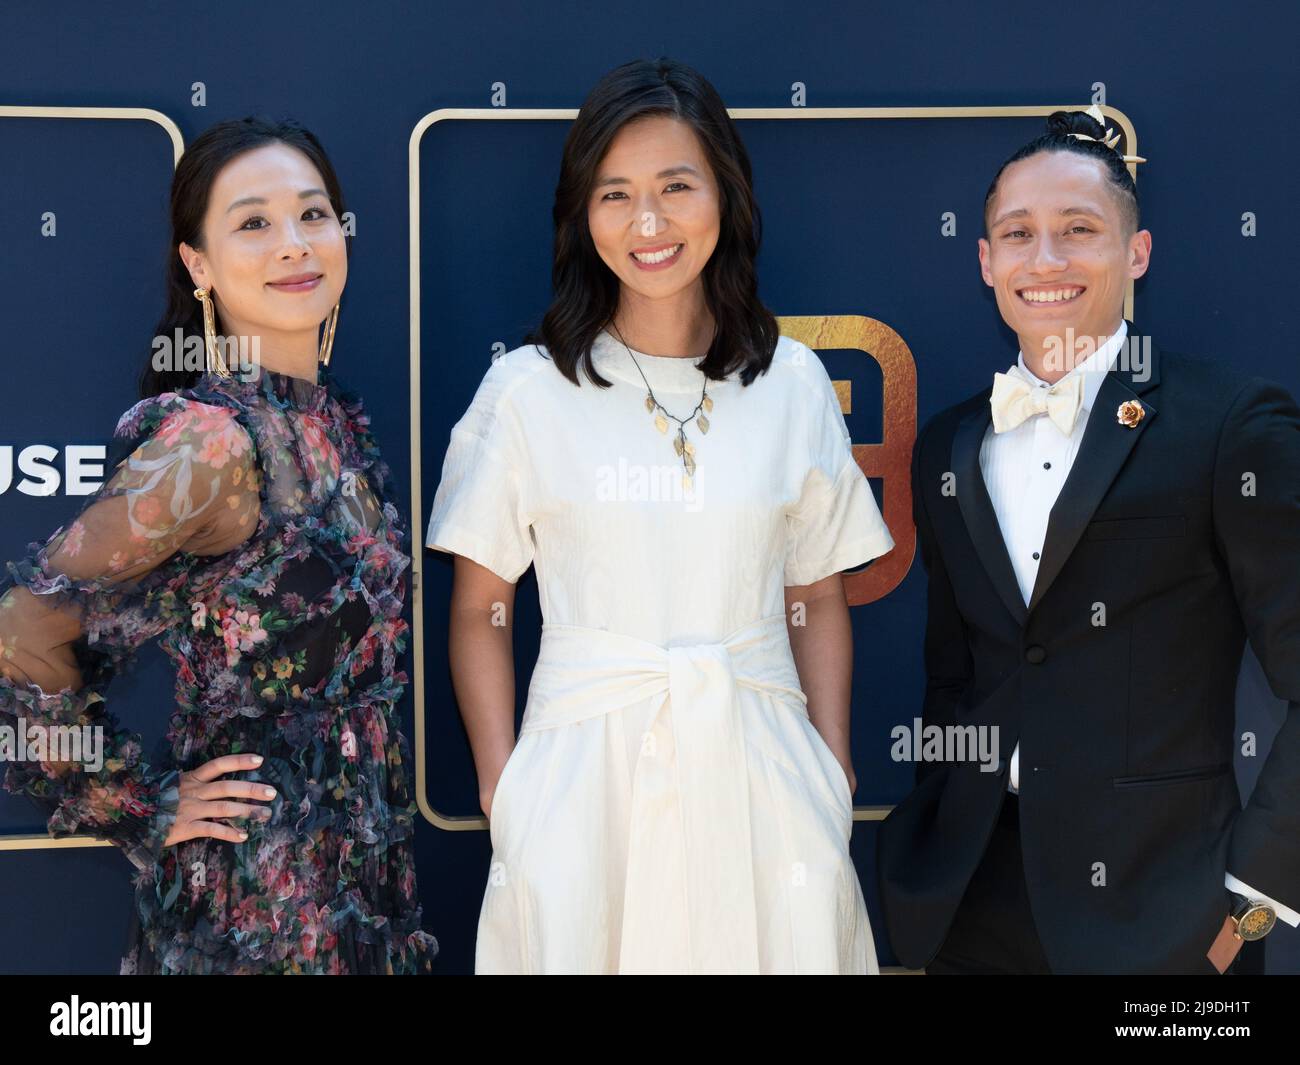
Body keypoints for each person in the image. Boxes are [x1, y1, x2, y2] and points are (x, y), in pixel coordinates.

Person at [425, 57, 895, 974]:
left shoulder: (792, 381)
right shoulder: (526, 390)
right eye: (615, 194)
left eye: (676, 186)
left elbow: (819, 594)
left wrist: (829, 768)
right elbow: (480, 609)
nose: (648, 223)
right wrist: (506, 789)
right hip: (580, 785)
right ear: (581, 214)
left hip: (763, 778)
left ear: (726, 193)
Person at [0, 117, 438, 974]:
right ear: (198, 265)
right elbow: (23, 635)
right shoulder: (210, 444)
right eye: (252, 223)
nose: (293, 244)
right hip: (254, 918)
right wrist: (138, 801)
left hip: (365, 905)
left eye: (313, 215)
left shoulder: (332, 422)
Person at [877, 108, 1300, 974]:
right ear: (986, 259)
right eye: (1018, 234)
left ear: (1136, 252)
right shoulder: (949, 445)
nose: (1047, 260)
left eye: (1080, 231)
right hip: (974, 905)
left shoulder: (1230, 422)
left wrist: (1252, 905)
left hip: (1172, 921)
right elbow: (956, 676)